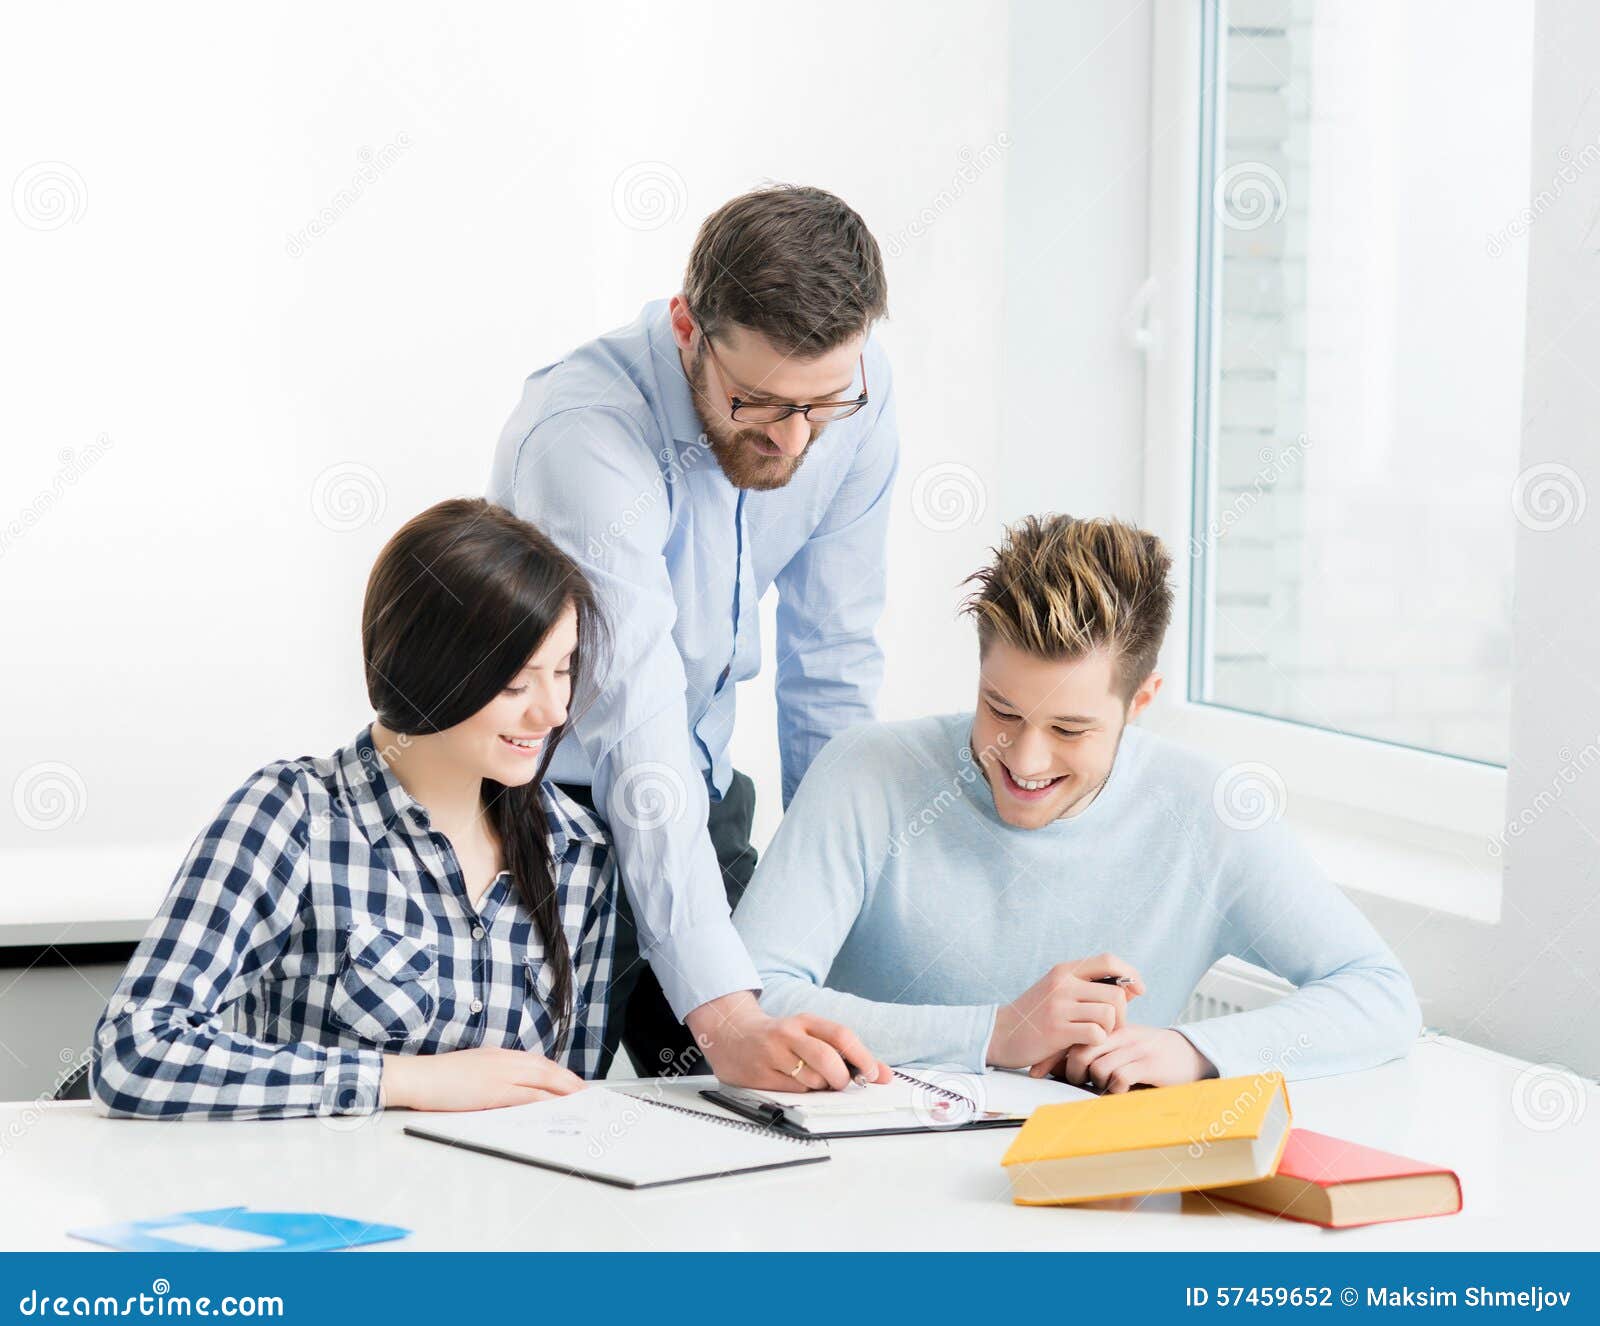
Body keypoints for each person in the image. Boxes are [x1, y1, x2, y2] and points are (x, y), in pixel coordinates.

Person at [733, 514, 1424, 1091]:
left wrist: (1192, 1052)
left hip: (1091, 1206)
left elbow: (1379, 995)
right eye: (1001, 710)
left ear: (1140, 702)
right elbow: (753, 997)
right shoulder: (866, 774)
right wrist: (998, 1032)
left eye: (1070, 729)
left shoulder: (1209, 813)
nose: (1025, 760)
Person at [489, 184, 896, 1088]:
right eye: (758, 403)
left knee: (794, 1086)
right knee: (540, 1112)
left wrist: (830, 899)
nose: (795, 441)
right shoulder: (585, 437)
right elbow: (633, 718)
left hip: (698, 794)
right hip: (538, 824)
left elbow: (830, 661)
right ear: (686, 328)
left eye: (821, 406)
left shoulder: (854, 394)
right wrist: (723, 1015)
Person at [91, 500, 625, 1118]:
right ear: (429, 671)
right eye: (515, 685)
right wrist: (402, 1082)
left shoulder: (578, 852)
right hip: (313, 1208)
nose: (554, 712)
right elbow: (134, 1051)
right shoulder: (292, 817)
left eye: (563, 671)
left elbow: (573, 1099)